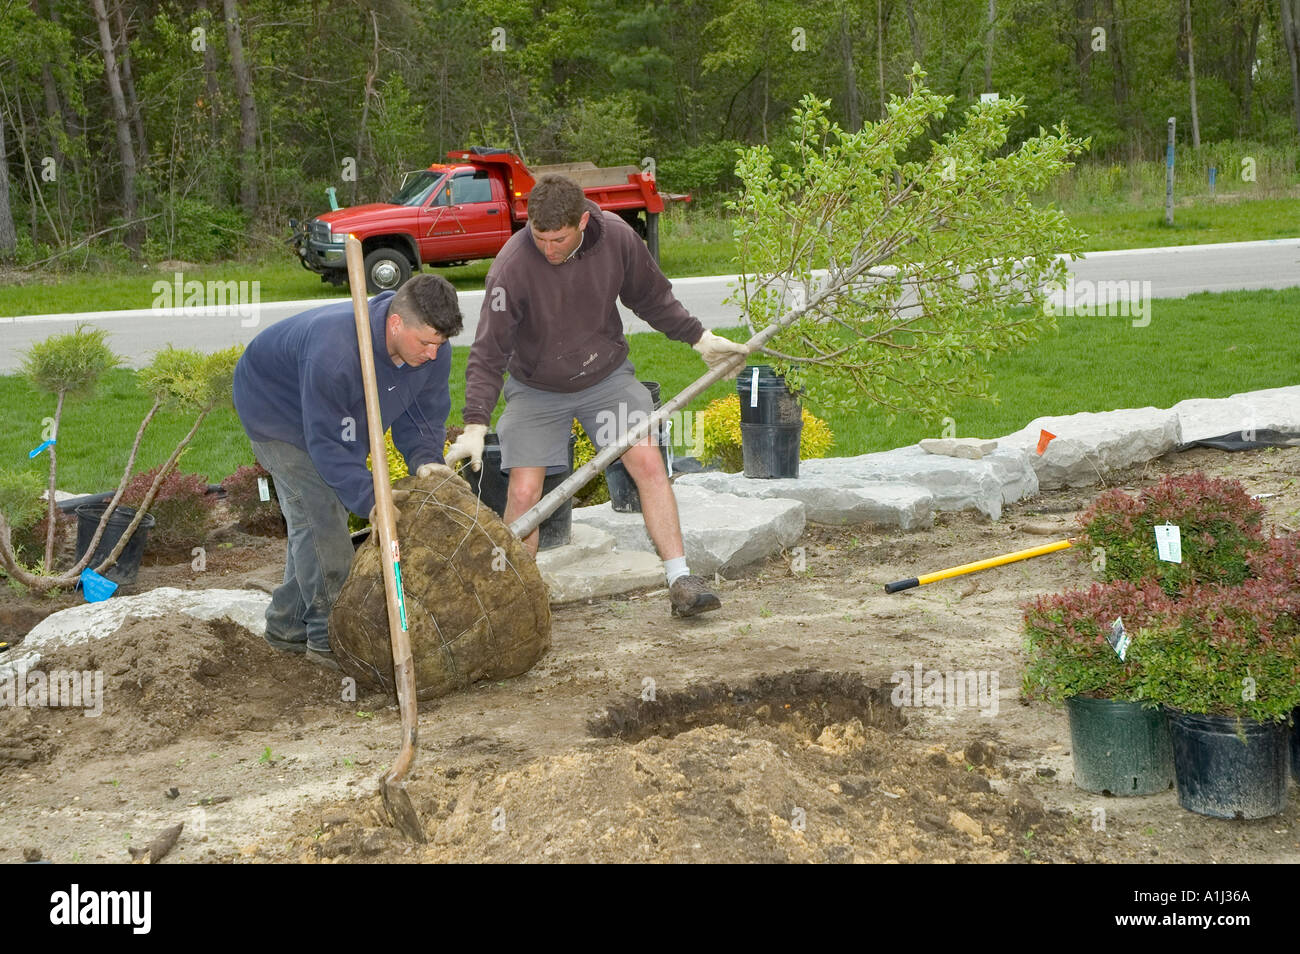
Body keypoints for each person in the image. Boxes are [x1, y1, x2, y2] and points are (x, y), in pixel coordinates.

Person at [448, 175, 748, 617]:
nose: (547, 249)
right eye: (539, 236)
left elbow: (653, 299)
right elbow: (489, 350)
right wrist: (476, 422)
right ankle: (512, 606)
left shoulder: (619, 239)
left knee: (646, 460)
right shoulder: (512, 266)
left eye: (559, 239)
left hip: (605, 378)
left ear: (584, 221)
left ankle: (680, 579)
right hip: (536, 389)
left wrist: (701, 339)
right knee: (526, 491)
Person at [233, 274, 464, 669]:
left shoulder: (431, 350)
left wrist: (427, 462)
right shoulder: (336, 353)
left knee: (313, 522)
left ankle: (287, 626)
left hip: (338, 418)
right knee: (322, 516)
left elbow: (423, 416)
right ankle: (329, 638)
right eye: (425, 343)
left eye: (439, 344)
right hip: (278, 413)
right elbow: (328, 444)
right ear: (396, 324)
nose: (432, 353)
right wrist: (372, 499)